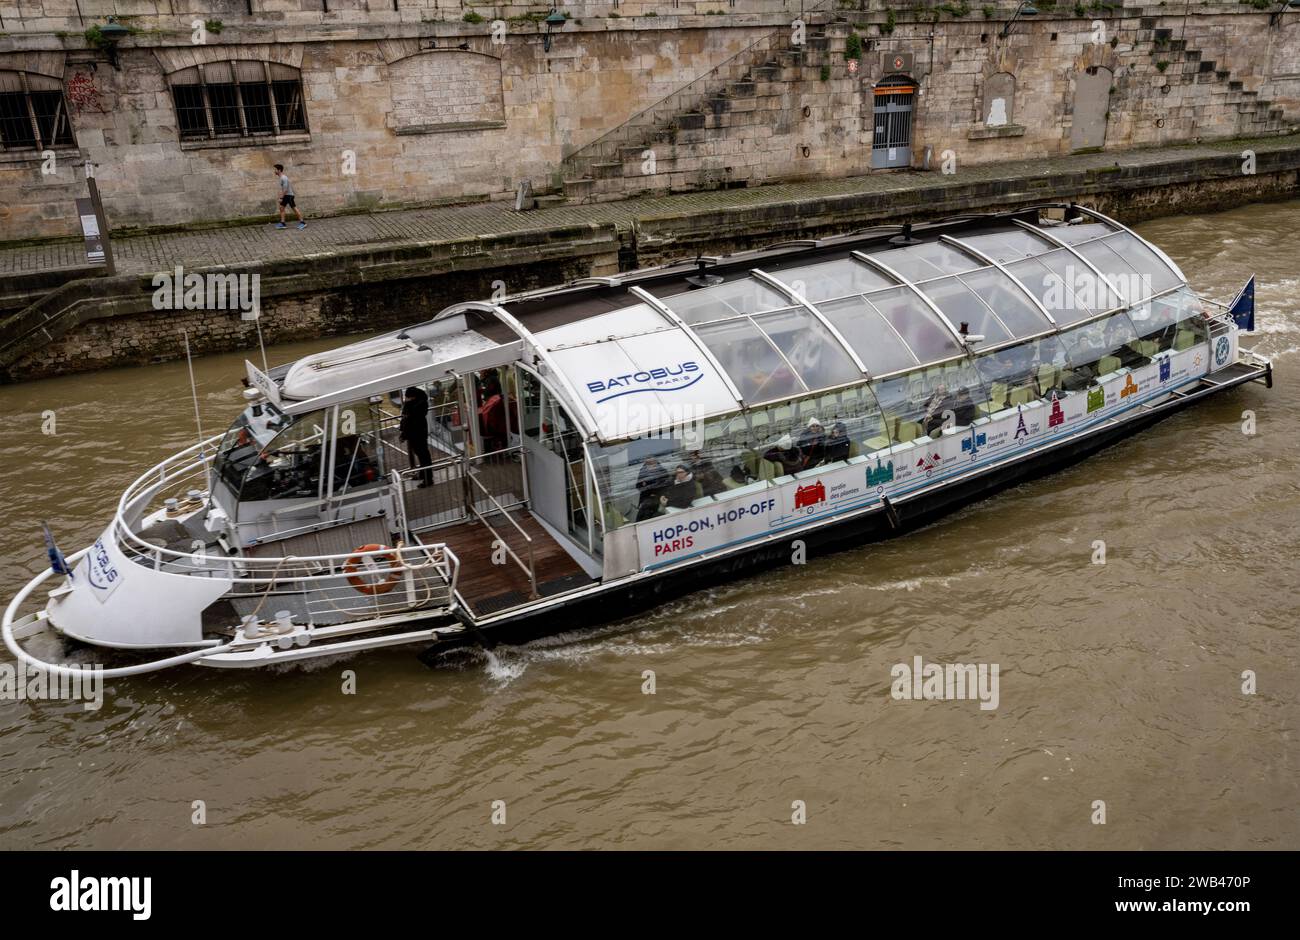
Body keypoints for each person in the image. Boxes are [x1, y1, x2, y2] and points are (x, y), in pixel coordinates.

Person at [399, 386, 433, 487]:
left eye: (407, 397)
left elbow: (408, 422)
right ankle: (424, 475)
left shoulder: (412, 407)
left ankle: (428, 479)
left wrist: (403, 434)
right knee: (423, 455)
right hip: (419, 433)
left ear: (412, 397)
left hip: (416, 434)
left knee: (423, 456)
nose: (406, 399)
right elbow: (407, 420)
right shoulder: (419, 405)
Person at [274, 163, 306, 230]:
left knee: (294, 208)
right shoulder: (281, 178)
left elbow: (285, 189)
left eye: (275, 170)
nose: (274, 171)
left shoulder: (284, 178)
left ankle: (303, 222)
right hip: (286, 196)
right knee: (281, 208)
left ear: (279, 170)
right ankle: (283, 223)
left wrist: (281, 198)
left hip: (289, 196)